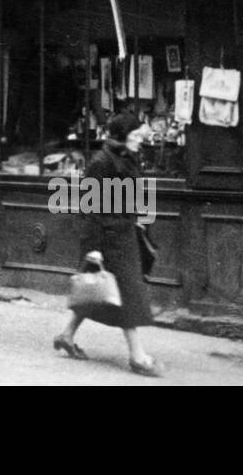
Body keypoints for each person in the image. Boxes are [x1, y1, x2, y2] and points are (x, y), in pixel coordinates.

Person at [52, 112, 163, 377]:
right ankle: (138, 357)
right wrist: (93, 248)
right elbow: (89, 208)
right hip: (108, 238)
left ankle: (66, 335)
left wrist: (137, 220)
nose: (140, 140)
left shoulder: (127, 156)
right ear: (122, 136)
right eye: (135, 136)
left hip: (124, 233)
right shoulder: (101, 162)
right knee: (127, 295)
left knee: (104, 291)